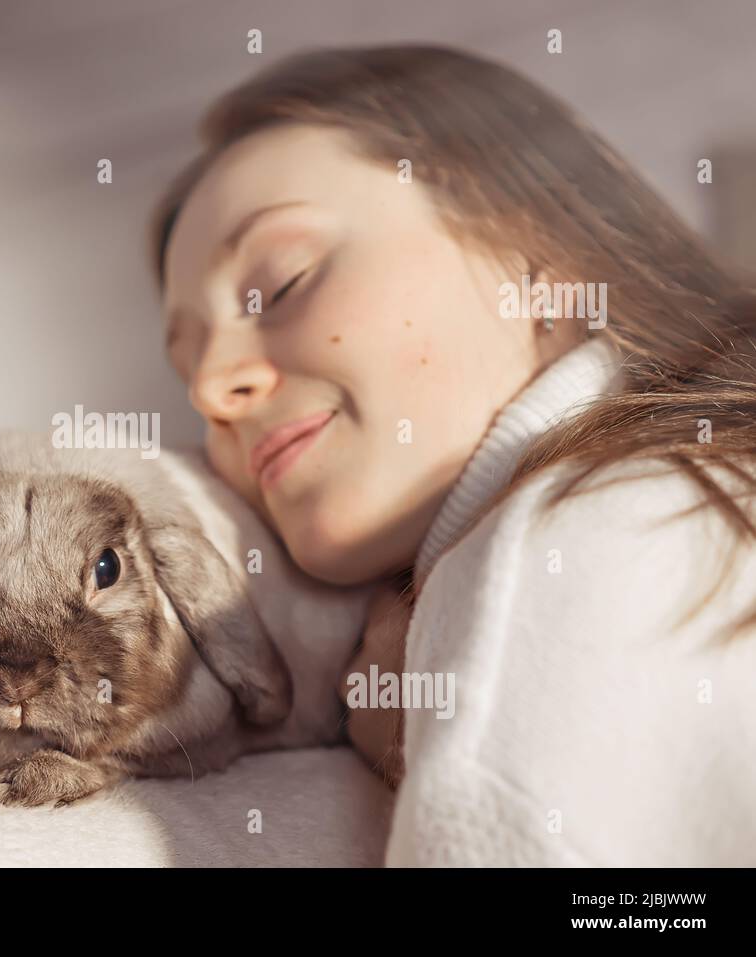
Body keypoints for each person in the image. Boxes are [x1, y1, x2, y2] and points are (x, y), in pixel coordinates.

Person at [148, 45, 756, 865]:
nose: (213, 389)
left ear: (539, 252)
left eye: (283, 283)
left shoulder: (579, 543)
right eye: (188, 368)